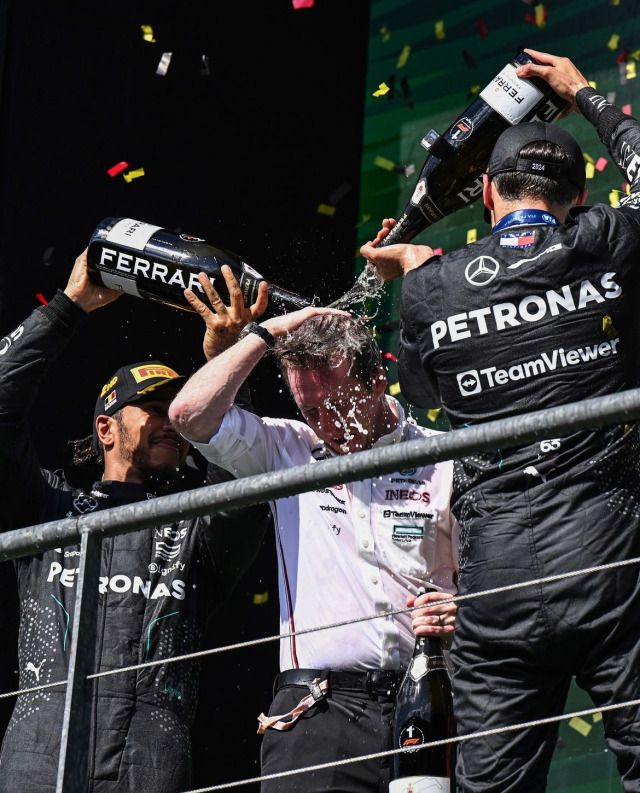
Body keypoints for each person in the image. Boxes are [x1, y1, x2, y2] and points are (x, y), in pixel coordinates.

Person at [361, 49, 640, 793]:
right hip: (608, 555)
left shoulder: (431, 287)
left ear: (485, 194)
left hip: (496, 578)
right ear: (578, 200)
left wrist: (417, 269)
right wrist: (586, 95)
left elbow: (426, 389)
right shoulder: (608, 240)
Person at [0, 251, 272, 793]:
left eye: (179, 409)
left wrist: (228, 363)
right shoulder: (46, 506)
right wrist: (66, 310)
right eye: (153, 407)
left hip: (150, 765)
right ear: (106, 429)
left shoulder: (197, 525)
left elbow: (246, 460)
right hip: (37, 756)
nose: (172, 421)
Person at [169, 303, 459, 792]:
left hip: (431, 699)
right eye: (309, 410)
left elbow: (490, 573)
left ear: (375, 382)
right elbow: (189, 414)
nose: (324, 422)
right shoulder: (288, 449)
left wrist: (461, 608)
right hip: (319, 711)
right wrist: (268, 332)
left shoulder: (441, 457)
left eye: (335, 403)